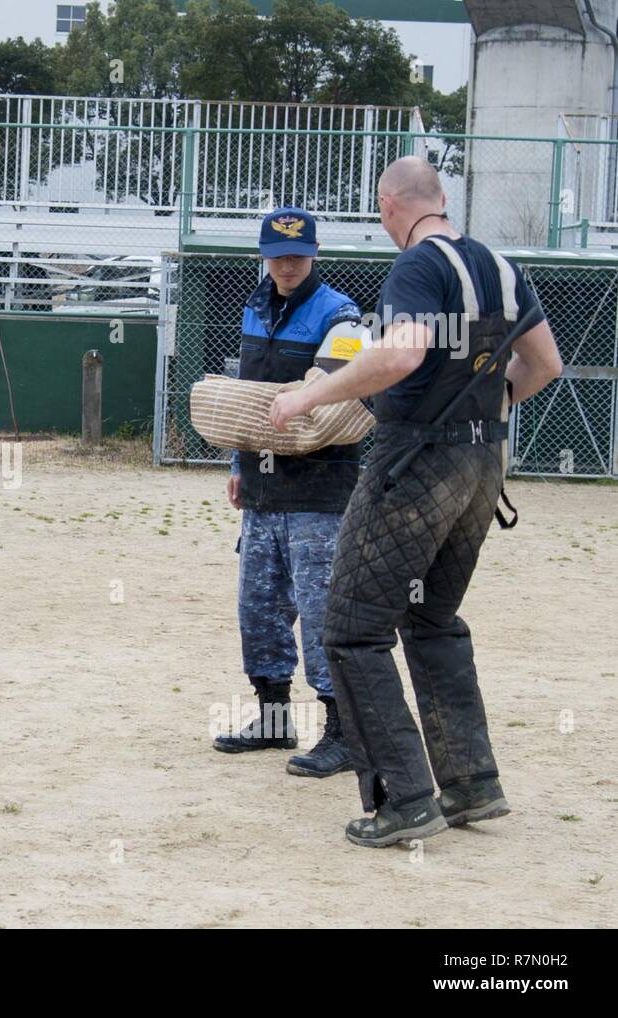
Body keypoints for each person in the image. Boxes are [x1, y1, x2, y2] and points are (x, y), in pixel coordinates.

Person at [270, 157, 564, 847]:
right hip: (484, 465)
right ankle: (471, 784)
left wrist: (310, 393)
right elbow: (544, 364)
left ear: (389, 204)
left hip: (416, 466)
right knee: (432, 618)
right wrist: (482, 415)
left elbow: (402, 355)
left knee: (351, 627)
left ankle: (404, 799)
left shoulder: (416, 267)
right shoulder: (499, 264)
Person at [213, 207, 362, 780]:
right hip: (261, 483)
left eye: (298, 255)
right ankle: (274, 720)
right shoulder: (255, 306)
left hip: (319, 489)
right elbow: (249, 395)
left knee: (323, 610)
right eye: (277, 255)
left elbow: (340, 398)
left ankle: (343, 732)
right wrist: (237, 461)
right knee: (259, 605)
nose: (288, 264)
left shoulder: (341, 314)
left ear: (315, 255)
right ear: (263, 256)